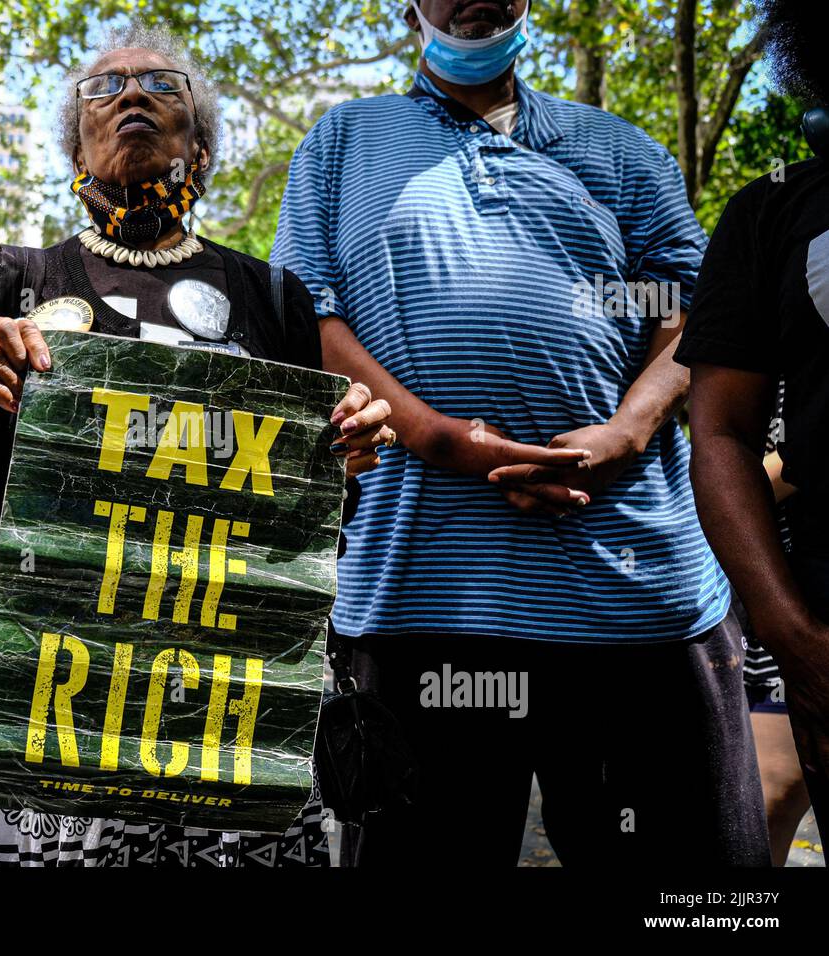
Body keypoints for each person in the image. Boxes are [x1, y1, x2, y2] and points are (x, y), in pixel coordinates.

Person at [0, 27, 395, 867]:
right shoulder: (14, 283)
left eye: (159, 85)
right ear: (77, 147)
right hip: (52, 679)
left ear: (198, 149)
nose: (130, 95)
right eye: (105, 89)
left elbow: (310, 518)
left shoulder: (273, 295)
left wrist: (346, 453)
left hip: (231, 689)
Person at [270, 0, 768, 865]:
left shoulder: (619, 148)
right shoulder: (343, 143)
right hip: (427, 598)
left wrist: (627, 432)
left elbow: (694, 309)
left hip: (637, 604)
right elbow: (309, 312)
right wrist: (439, 439)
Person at [675, 0, 829, 856]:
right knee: (764, 798)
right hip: (790, 602)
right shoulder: (770, 214)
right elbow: (722, 437)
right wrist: (796, 638)